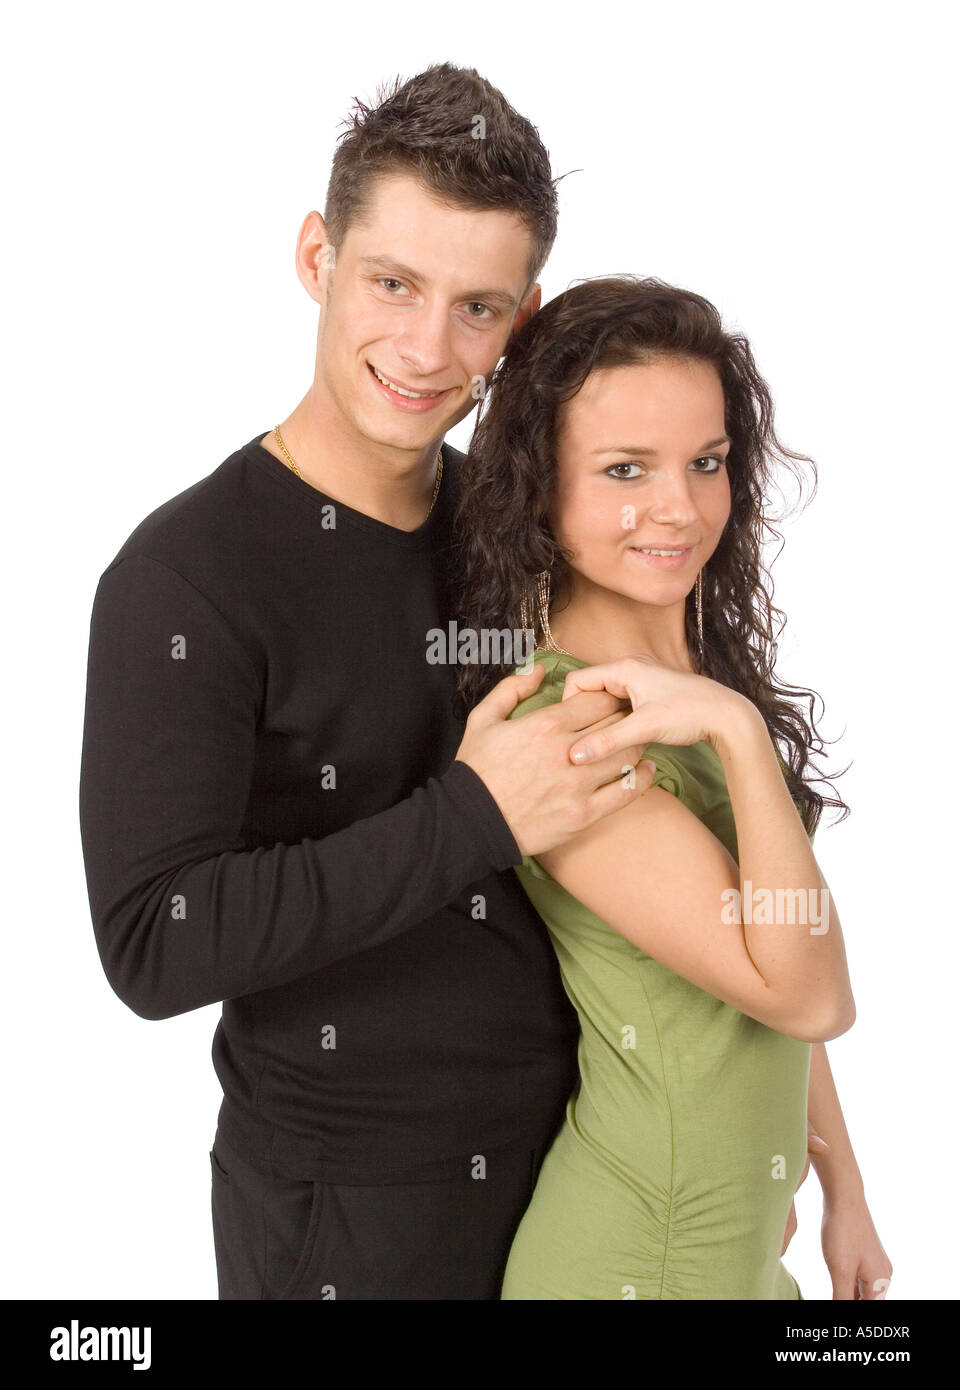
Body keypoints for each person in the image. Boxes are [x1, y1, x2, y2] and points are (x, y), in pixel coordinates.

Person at [78, 62, 884, 1300]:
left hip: (576, 1174)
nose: (424, 346)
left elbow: (712, 881)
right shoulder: (187, 579)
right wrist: (473, 815)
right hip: (348, 1216)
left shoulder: (517, 527)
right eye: (391, 283)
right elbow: (153, 943)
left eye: (477, 307)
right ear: (316, 255)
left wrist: (788, 1156)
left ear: (523, 321)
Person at [452, 276, 893, 1299]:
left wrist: (846, 1187)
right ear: (540, 487)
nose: (681, 508)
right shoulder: (566, 734)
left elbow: (766, 968)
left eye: (706, 462)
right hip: (635, 1263)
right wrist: (739, 734)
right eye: (622, 470)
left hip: (742, 1263)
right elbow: (810, 991)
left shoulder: (691, 689)